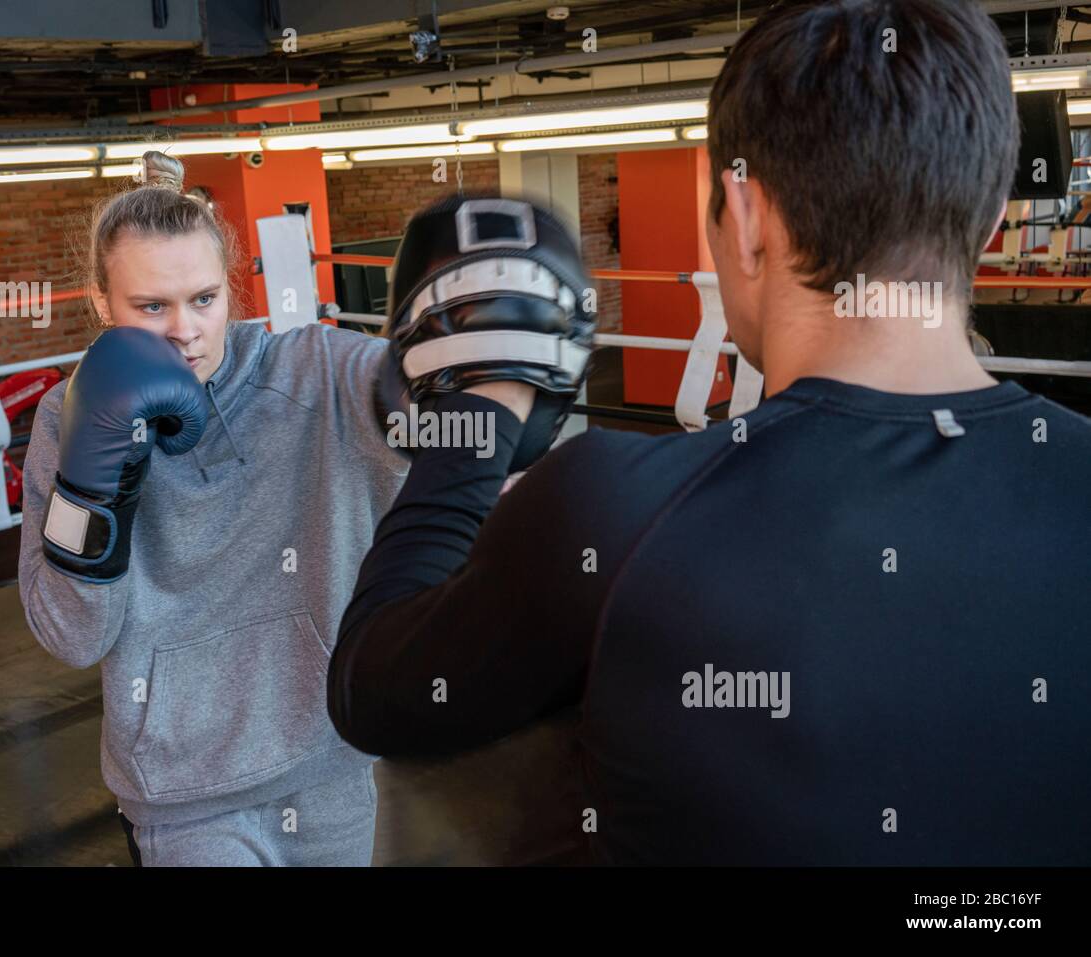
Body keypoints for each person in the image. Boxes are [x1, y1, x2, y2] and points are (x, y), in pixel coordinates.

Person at [327, 0, 1091, 865]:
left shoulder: (612, 506)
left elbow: (374, 690)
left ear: (746, 209)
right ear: (992, 216)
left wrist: (488, 400)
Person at [18, 151, 408, 866]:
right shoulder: (64, 420)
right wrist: (93, 482)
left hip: (330, 766)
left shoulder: (313, 374)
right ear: (101, 302)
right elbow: (73, 637)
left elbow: (419, 401)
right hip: (183, 795)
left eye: (203, 299)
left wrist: (462, 347)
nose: (186, 330)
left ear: (232, 288)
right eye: (151, 306)